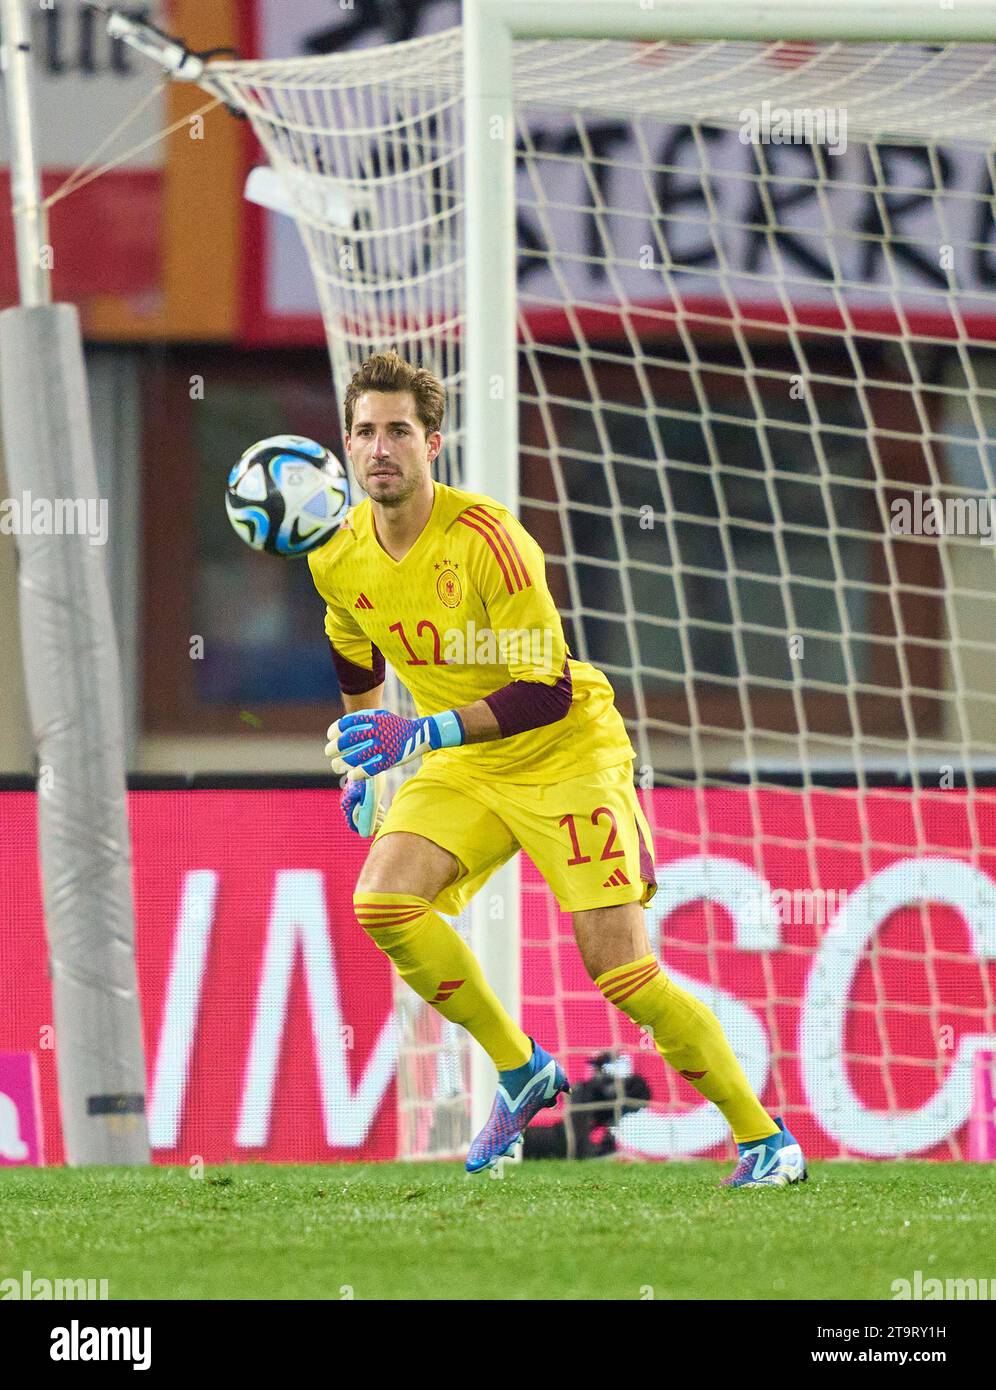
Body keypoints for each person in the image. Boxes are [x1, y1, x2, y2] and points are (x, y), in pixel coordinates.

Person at [309, 350, 806, 1186]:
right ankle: (521, 1068)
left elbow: (544, 689)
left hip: (564, 752)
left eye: (399, 430)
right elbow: (351, 649)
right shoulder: (335, 553)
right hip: (463, 761)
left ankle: (765, 1141)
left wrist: (418, 734)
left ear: (434, 444)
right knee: (384, 901)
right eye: (364, 432)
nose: (379, 447)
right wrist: (366, 763)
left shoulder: (490, 541)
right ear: (347, 446)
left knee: (623, 973)